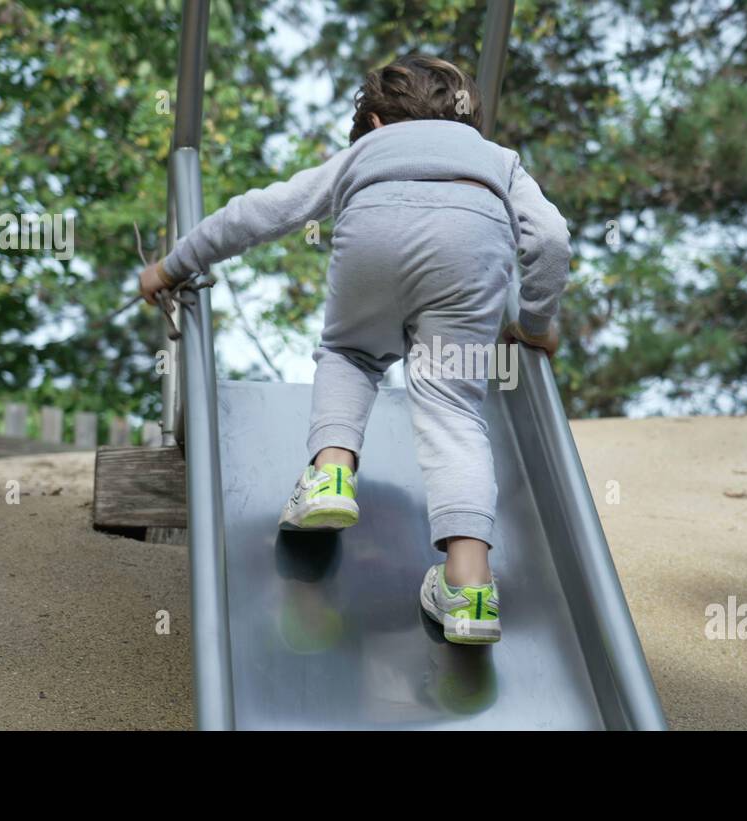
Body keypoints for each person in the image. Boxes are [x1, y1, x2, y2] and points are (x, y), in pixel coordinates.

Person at [139, 54, 570, 644]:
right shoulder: (498, 161)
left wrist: (173, 264)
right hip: (470, 254)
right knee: (452, 408)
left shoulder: (365, 154)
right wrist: (536, 322)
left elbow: (260, 213)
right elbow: (549, 238)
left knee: (350, 354)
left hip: (372, 239)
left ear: (373, 123)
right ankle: (469, 587)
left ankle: (332, 477)